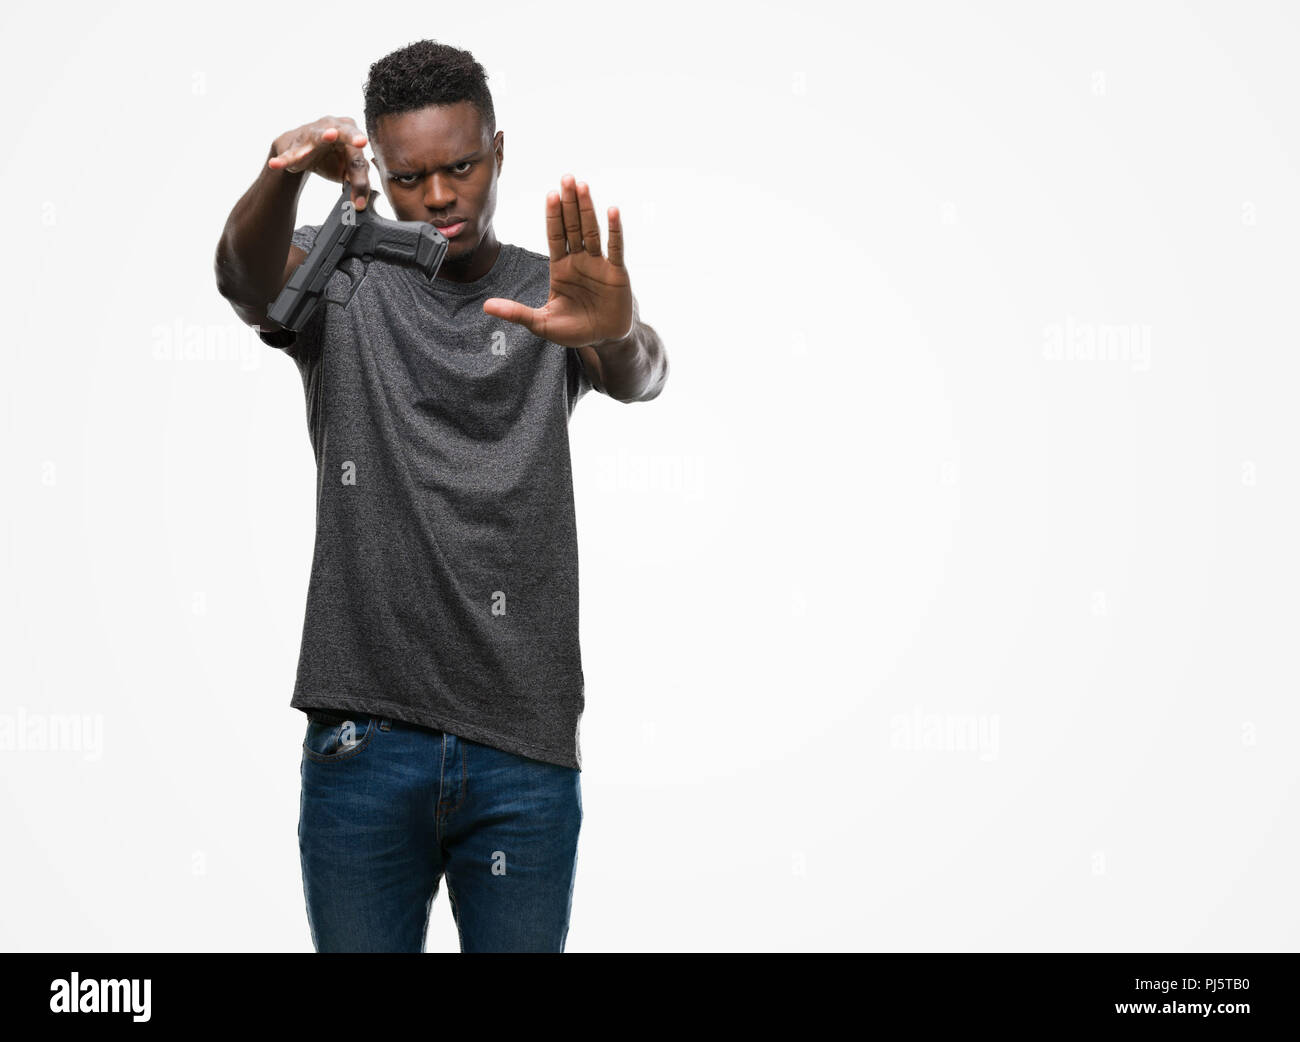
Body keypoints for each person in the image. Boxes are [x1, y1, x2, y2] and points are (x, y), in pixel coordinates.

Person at [212, 39, 669, 952]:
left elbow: (643, 371)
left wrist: (615, 334)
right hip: (364, 741)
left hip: (523, 747)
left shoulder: (553, 295)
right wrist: (283, 170)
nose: (440, 196)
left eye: (461, 166)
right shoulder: (338, 273)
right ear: (379, 170)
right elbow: (241, 281)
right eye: (411, 174)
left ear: (499, 150)